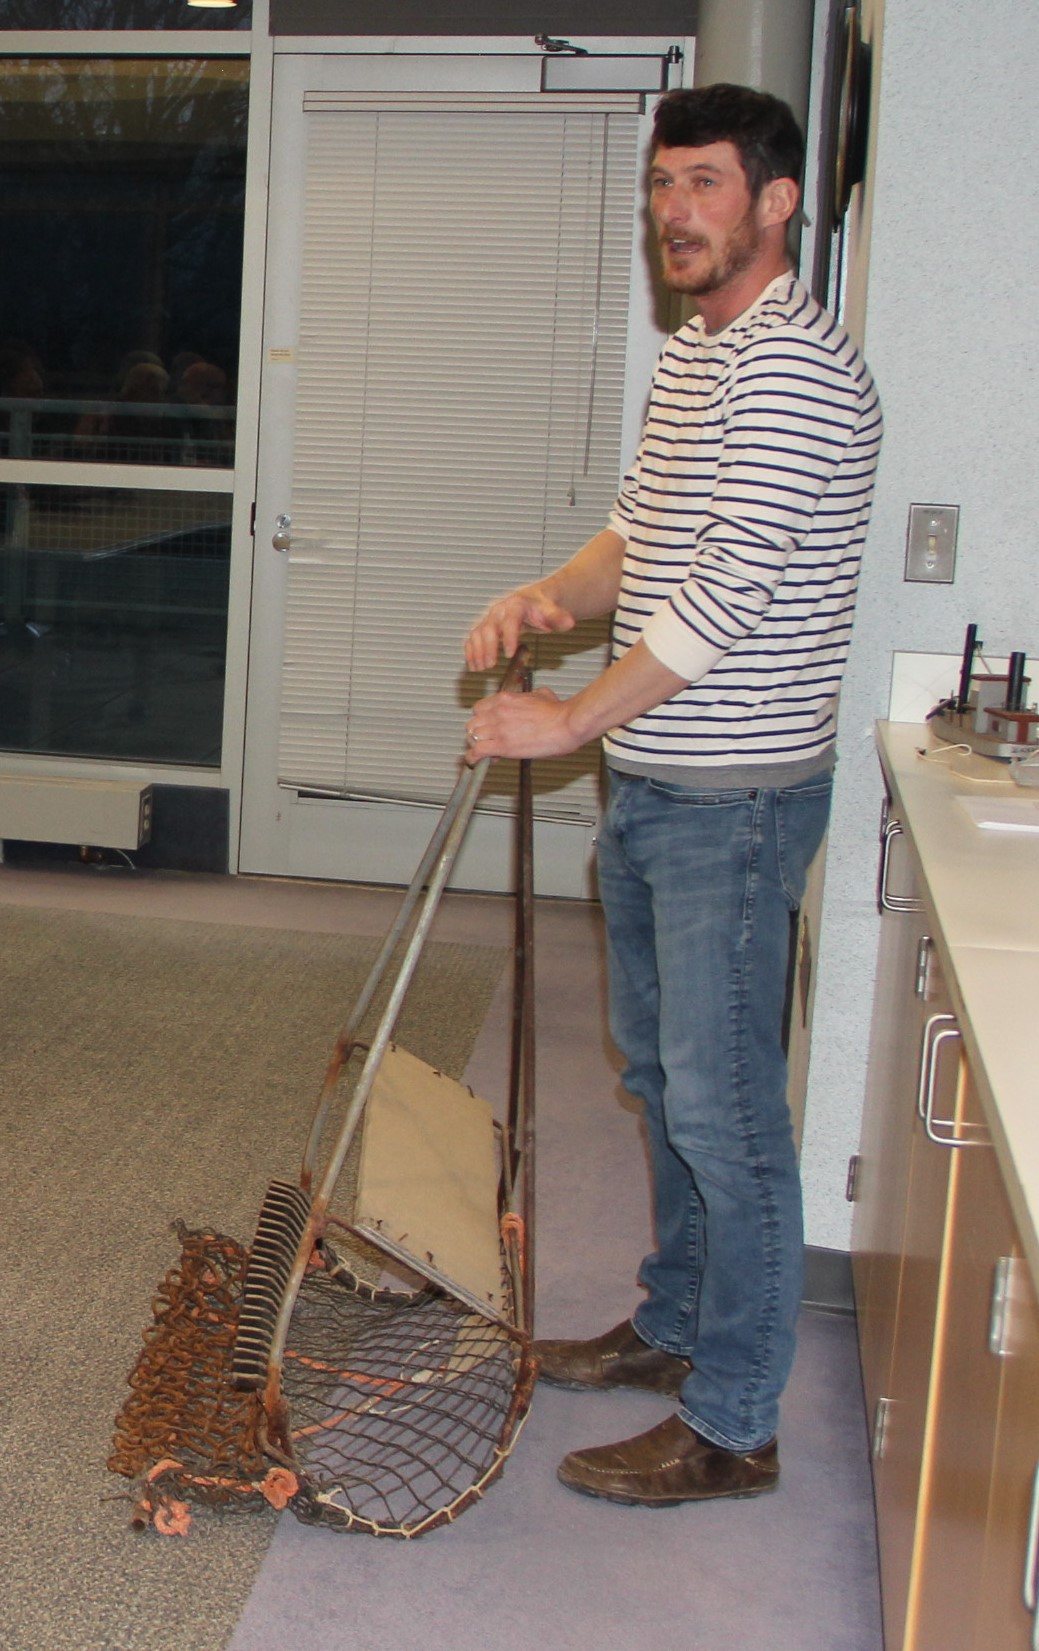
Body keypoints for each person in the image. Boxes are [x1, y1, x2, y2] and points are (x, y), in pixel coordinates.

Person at [463, 82, 882, 1507]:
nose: (675, 211)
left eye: (705, 182)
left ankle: (735, 1422)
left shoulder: (797, 371)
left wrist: (568, 719)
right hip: (657, 787)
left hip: (734, 805)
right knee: (662, 1084)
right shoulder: (701, 357)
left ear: (777, 201)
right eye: (661, 183)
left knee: (728, 1115)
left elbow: (722, 598)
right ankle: (677, 1324)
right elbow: (636, 542)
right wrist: (545, 596)